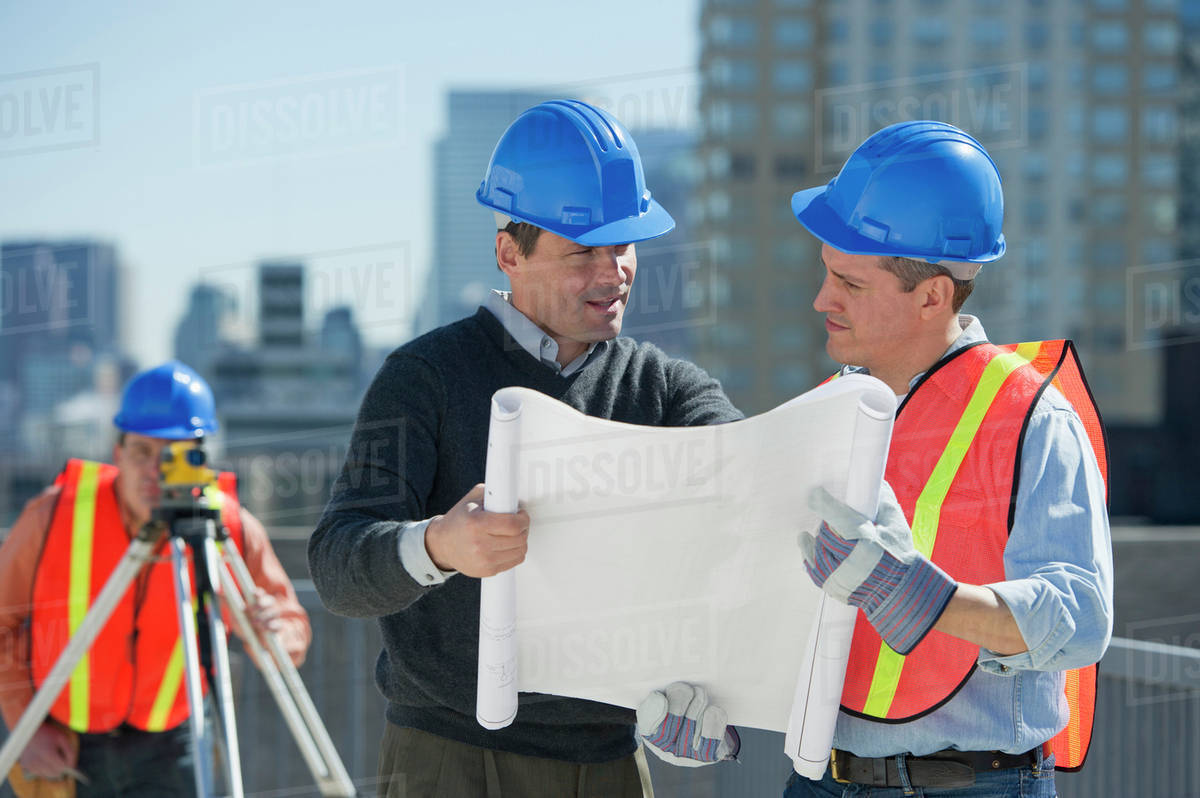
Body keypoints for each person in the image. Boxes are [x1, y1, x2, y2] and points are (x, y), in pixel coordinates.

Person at [308, 98, 742, 797]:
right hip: (446, 763)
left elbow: (750, 473)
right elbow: (336, 566)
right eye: (584, 253)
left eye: (622, 246)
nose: (614, 272)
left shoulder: (665, 390)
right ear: (511, 253)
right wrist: (440, 548)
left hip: (609, 763)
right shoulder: (424, 377)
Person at [778, 121, 1112, 796]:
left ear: (933, 296)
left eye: (850, 283)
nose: (822, 300)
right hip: (820, 779)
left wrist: (929, 598)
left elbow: (1080, 619)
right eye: (825, 272)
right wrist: (714, 703)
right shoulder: (817, 416)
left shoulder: (1031, 416)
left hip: (973, 786)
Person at [0, 360, 311, 798]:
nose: (156, 471)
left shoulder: (229, 528)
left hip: (176, 746)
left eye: (175, 455)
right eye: (143, 452)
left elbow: (292, 626)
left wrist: (273, 634)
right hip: (66, 742)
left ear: (201, 456)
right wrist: (24, 725)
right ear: (117, 452)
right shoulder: (53, 516)